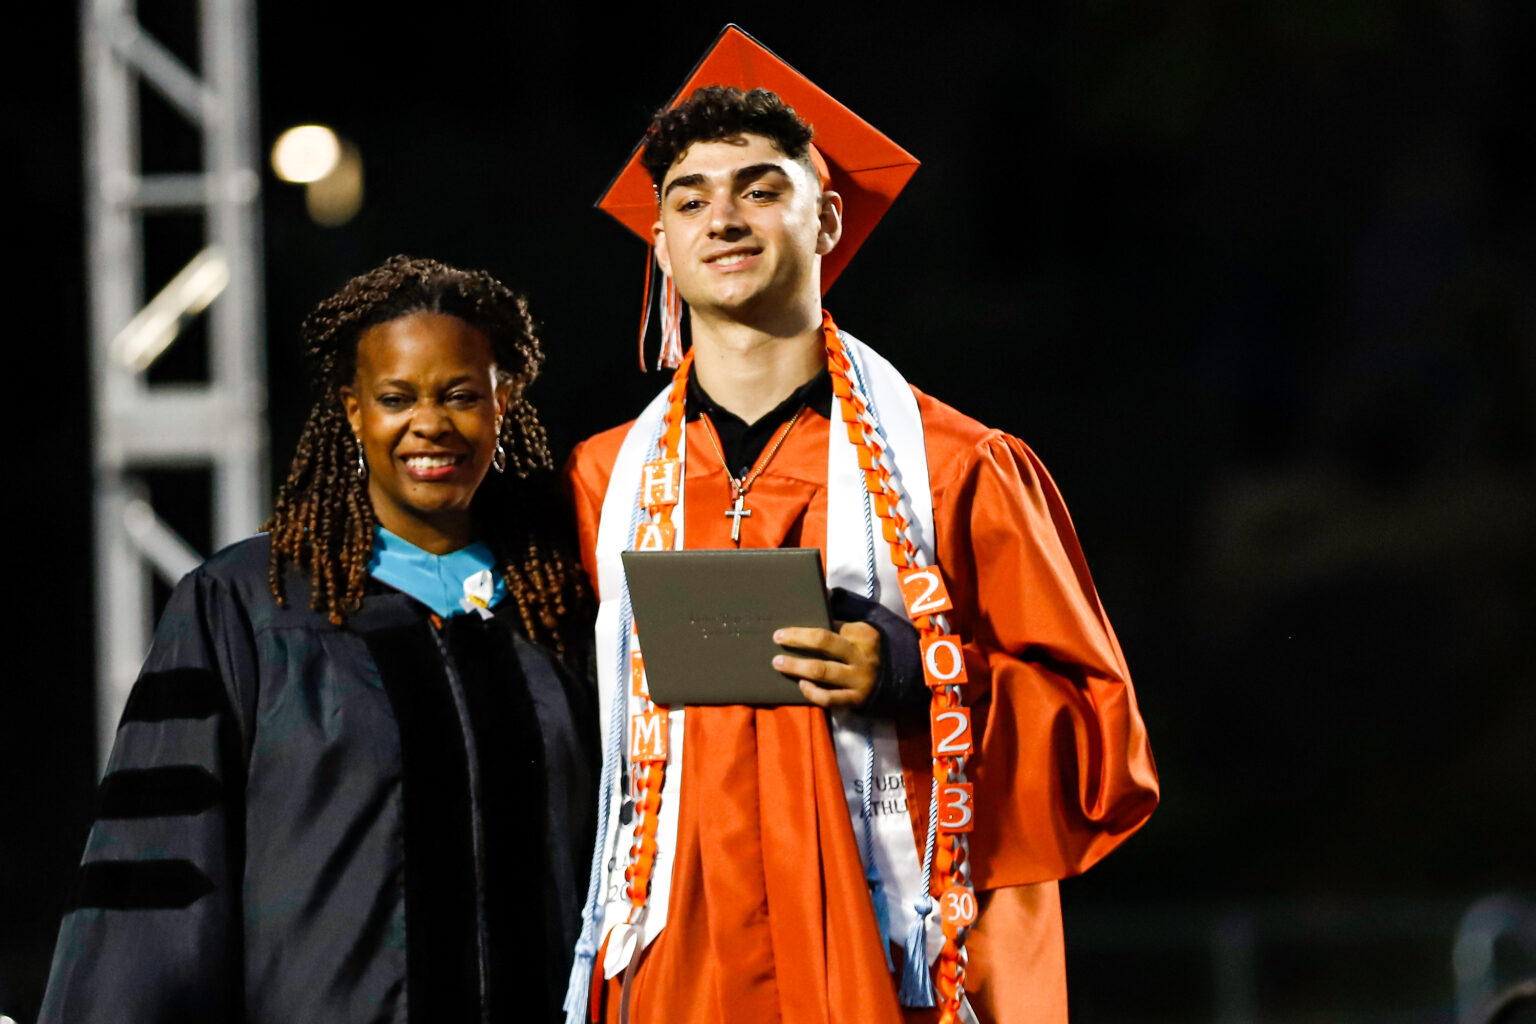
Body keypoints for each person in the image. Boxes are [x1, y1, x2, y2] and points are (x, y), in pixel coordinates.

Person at [561, 27, 1159, 1024]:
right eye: (690, 198)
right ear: (660, 242)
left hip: (887, 953)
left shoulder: (957, 465)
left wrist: (922, 675)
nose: (724, 218)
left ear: (827, 217)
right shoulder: (605, 478)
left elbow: (1100, 740)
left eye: (761, 189)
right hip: (678, 957)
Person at [40, 255, 595, 1023]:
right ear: (353, 410)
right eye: (396, 397)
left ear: (505, 400)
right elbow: (159, 876)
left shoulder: (560, 610)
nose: (429, 423)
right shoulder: (248, 605)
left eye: (462, 395)